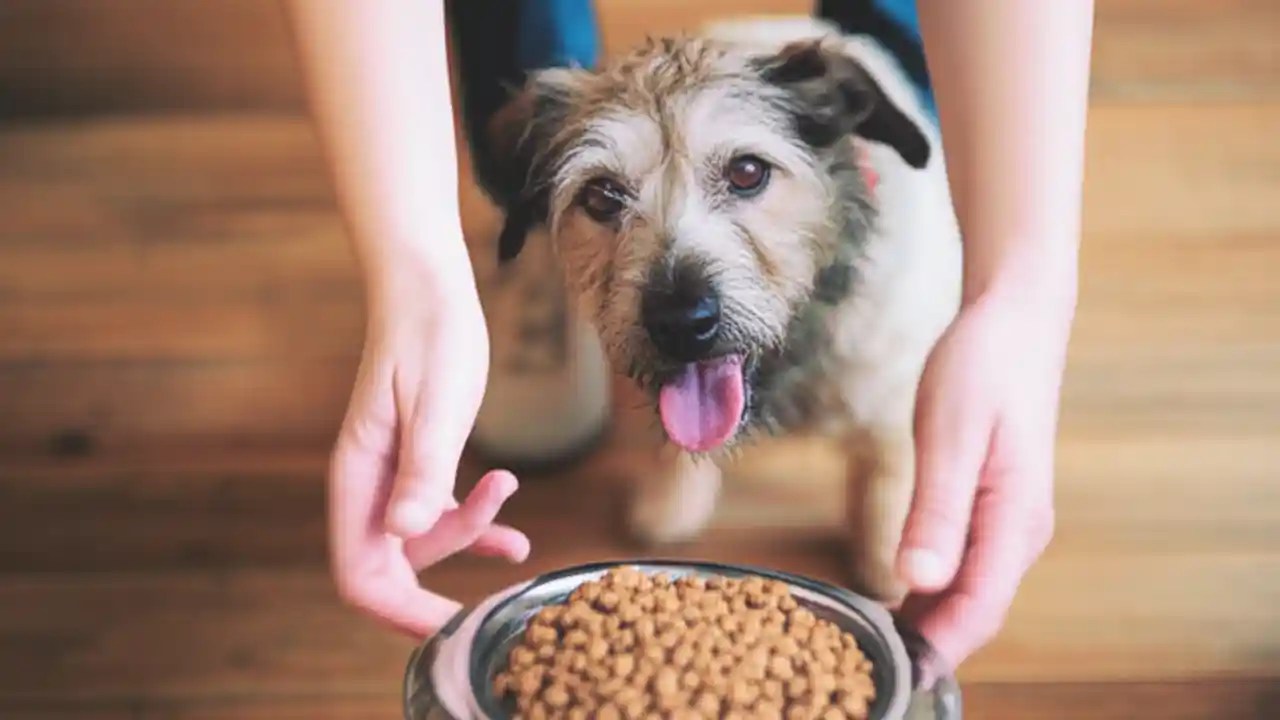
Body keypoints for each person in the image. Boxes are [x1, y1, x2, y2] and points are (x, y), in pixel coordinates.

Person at [287, 0, 1094, 677]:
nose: (678, 298)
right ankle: (538, 250)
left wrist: (1018, 292)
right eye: (605, 197)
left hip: (860, 162)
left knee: (887, 405)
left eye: (744, 176)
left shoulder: (909, 259)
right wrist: (413, 270)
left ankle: (878, 513)